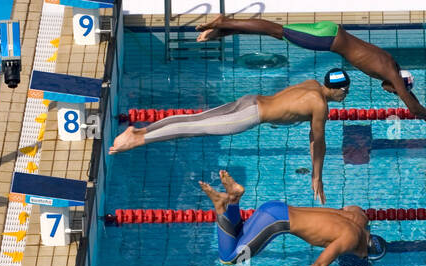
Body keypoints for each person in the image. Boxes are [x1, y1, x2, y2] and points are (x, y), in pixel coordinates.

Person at [110, 69, 352, 205]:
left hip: (251, 100)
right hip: (251, 114)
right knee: (195, 127)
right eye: (345, 91)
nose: (345, 96)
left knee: (195, 120)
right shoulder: (320, 104)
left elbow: (286, 105)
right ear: (338, 89)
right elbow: (318, 141)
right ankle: (139, 139)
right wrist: (317, 176)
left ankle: (139, 131)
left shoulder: (311, 84)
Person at [196, 16, 426, 137]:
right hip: (327, 38)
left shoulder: (389, 65)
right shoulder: (389, 70)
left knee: (277, 32)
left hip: (331, 32)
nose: (390, 91)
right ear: (395, 83)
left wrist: (421, 112)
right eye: (394, 90)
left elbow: (407, 96)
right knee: (276, 31)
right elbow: (411, 105)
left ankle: (221, 32)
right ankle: (224, 22)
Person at [202, 169, 385, 266]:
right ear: (364, 253)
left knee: (238, 234)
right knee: (230, 258)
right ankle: (220, 204)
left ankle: (233, 196)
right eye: (363, 256)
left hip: (276, 207)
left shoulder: (360, 218)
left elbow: (350, 207)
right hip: (275, 222)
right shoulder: (349, 241)